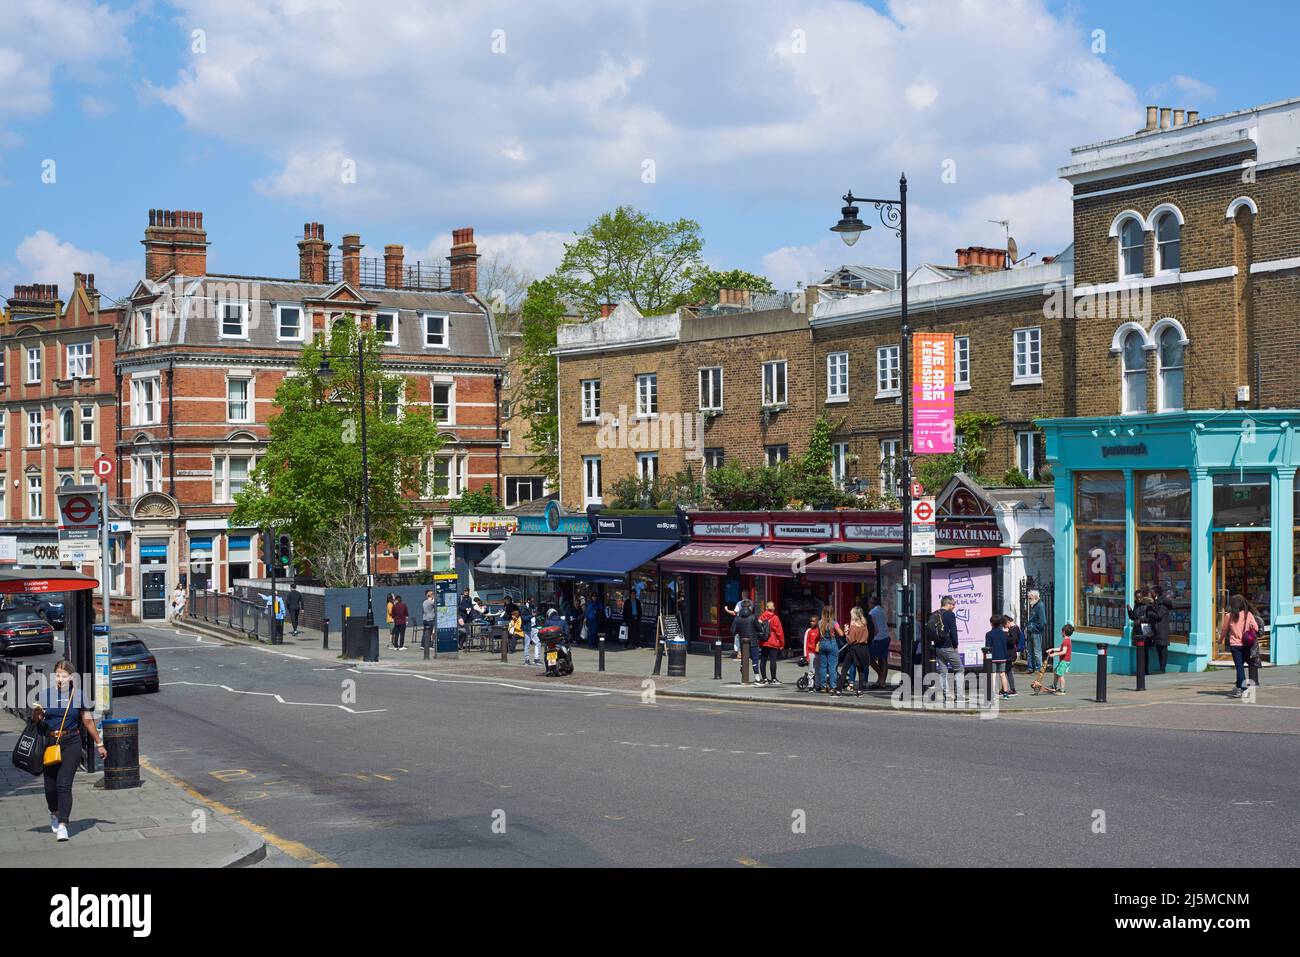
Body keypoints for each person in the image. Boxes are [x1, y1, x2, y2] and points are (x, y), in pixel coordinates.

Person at [31, 660, 107, 842]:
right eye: (57, 675)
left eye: (64, 676)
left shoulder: (79, 695)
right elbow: (35, 722)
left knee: (63, 784)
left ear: (71, 678)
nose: (60, 679)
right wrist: (37, 713)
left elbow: (88, 721)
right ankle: (55, 813)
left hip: (71, 741)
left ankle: (63, 825)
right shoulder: (44, 695)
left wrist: (99, 744)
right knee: (50, 787)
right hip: (50, 742)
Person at [1218, 594, 1260, 698]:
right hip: (1246, 644)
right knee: (1241, 666)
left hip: (1235, 645)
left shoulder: (1229, 616)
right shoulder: (1248, 614)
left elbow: (1224, 630)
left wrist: (1220, 640)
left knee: (1239, 667)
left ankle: (1243, 688)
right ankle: (1239, 687)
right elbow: (1256, 628)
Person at [931, 596, 964, 702]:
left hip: (938, 647)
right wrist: (956, 645)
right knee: (959, 669)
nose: (954, 607)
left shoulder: (935, 614)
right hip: (948, 646)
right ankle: (959, 696)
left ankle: (947, 697)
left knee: (943, 672)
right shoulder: (950, 614)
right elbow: (953, 631)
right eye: (953, 604)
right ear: (948, 604)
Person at [839, 606, 872, 697]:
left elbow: (850, 640)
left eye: (851, 614)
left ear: (854, 615)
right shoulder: (864, 625)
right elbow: (867, 637)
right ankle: (860, 691)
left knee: (844, 669)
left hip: (854, 649)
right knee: (861, 670)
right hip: (863, 648)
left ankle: (839, 690)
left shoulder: (853, 627)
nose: (850, 615)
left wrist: (846, 632)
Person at [1145, 585, 1172, 674]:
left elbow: (1158, 615)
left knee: (1163, 650)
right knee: (1158, 650)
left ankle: (1162, 668)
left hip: (1162, 631)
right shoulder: (1157, 603)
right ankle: (1160, 668)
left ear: (1156, 593)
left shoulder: (1163, 605)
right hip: (1157, 631)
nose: (1150, 594)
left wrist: (1150, 612)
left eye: (1151, 592)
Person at [986, 614, 1014, 700]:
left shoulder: (989, 634)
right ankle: (1005, 693)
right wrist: (1005, 656)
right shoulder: (1003, 634)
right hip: (1002, 656)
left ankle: (993, 694)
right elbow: (1005, 646)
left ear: (991, 623)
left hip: (993, 657)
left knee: (993, 675)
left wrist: (987, 658)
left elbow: (988, 647)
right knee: (1002, 674)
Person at [1041, 624, 1074, 695]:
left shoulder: (1066, 641)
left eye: (1062, 632)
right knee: (1056, 672)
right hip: (1064, 661)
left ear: (1064, 632)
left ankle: (1062, 690)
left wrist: (1054, 654)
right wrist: (1052, 649)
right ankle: (1054, 686)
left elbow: (1064, 651)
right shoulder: (1067, 640)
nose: (1061, 633)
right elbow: (1061, 649)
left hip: (1064, 661)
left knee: (1060, 675)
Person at [731, 599, 760, 679]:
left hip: (743, 641)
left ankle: (743, 673)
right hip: (753, 640)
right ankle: (757, 676)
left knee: (744, 657)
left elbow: (732, 631)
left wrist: (739, 631)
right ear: (750, 607)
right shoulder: (753, 617)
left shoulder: (737, 618)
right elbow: (759, 628)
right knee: (755, 658)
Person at [757, 601, 785, 685]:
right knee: (773, 660)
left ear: (766, 608)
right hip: (773, 641)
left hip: (763, 641)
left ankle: (764, 678)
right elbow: (779, 632)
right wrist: (782, 643)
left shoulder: (761, 617)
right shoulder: (775, 618)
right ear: (773, 608)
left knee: (763, 660)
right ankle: (773, 679)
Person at [816, 606, 841, 695]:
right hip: (832, 643)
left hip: (822, 644)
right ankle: (832, 686)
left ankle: (823, 686)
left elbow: (819, 634)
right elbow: (841, 634)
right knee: (832, 666)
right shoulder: (834, 623)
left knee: (822, 666)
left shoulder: (820, 623)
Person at [867, 595, 891, 690]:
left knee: (869, 658)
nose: (868, 604)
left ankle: (880, 675)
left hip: (878, 638)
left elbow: (873, 627)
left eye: (869, 602)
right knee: (883, 659)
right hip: (886, 637)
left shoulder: (872, 612)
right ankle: (882, 682)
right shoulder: (882, 610)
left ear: (873, 603)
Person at [1025, 588, 1046, 674]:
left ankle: (1038, 668)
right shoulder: (1034, 605)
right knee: (1029, 651)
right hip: (1031, 631)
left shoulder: (1040, 605)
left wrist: (1034, 628)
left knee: (1037, 651)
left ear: (1035, 597)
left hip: (1036, 632)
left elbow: (1042, 621)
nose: (1028, 600)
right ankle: (1030, 668)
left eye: (1030, 598)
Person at [1003, 613, 1022, 695]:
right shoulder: (1014, 628)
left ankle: (1012, 689)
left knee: (1008, 671)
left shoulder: (1013, 629)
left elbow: (1012, 641)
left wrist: (1006, 634)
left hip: (1010, 653)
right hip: (1010, 653)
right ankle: (1005, 688)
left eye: (1004, 624)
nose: (1004, 626)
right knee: (1005, 671)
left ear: (1007, 622)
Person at [802, 615, 821, 691]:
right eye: (811, 621)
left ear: (817, 622)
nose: (811, 623)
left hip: (819, 653)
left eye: (813, 621)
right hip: (811, 653)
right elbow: (805, 643)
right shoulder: (808, 631)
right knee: (811, 670)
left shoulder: (820, 630)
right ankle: (810, 685)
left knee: (818, 670)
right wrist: (806, 655)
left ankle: (818, 685)